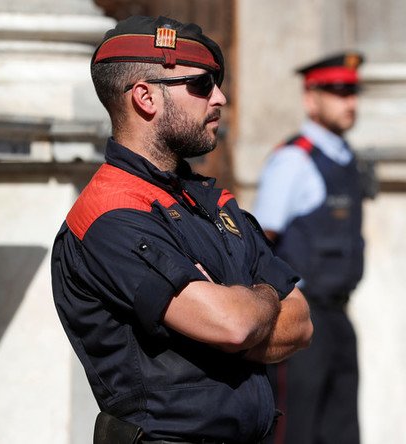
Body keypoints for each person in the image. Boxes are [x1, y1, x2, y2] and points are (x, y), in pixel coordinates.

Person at [51, 16, 313, 444]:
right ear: (145, 97)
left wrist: (241, 311)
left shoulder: (210, 202)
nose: (221, 97)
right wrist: (263, 295)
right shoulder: (108, 214)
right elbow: (232, 325)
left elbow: (301, 322)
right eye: (202, 85)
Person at [252, 52, 371, 444]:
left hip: (337, 314)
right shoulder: (294, 160)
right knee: (295, 431)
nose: (349, 102)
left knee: (340, 431)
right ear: (310, 98)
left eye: (352, 91)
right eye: (338, 91)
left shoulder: (346, 159)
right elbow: (259, 242)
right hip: (300, 314)